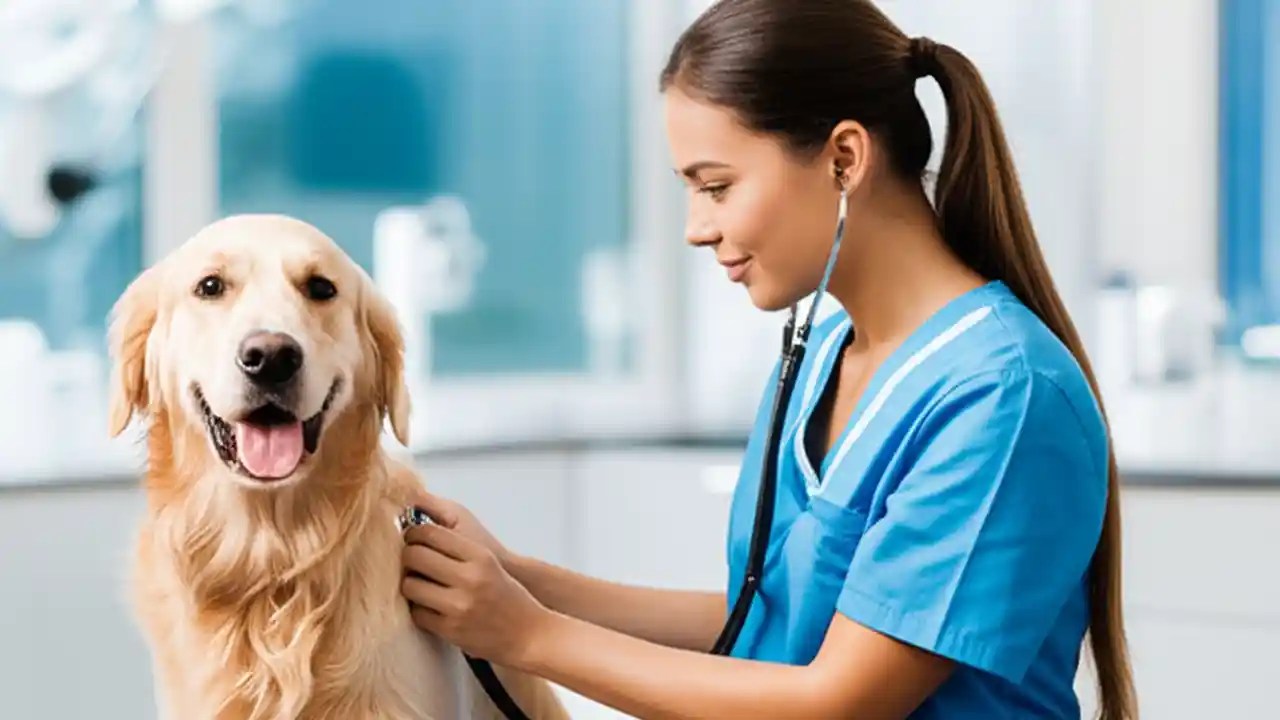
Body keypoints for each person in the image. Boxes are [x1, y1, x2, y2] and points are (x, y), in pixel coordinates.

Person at [399, 1, 1138, 718]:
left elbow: (839, 700)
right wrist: (521, 583)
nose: (696, 228)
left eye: (715, 186)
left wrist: (528, 635)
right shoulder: (820, 355)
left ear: (844, 159)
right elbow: (768, 618)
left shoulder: (1003, 397)